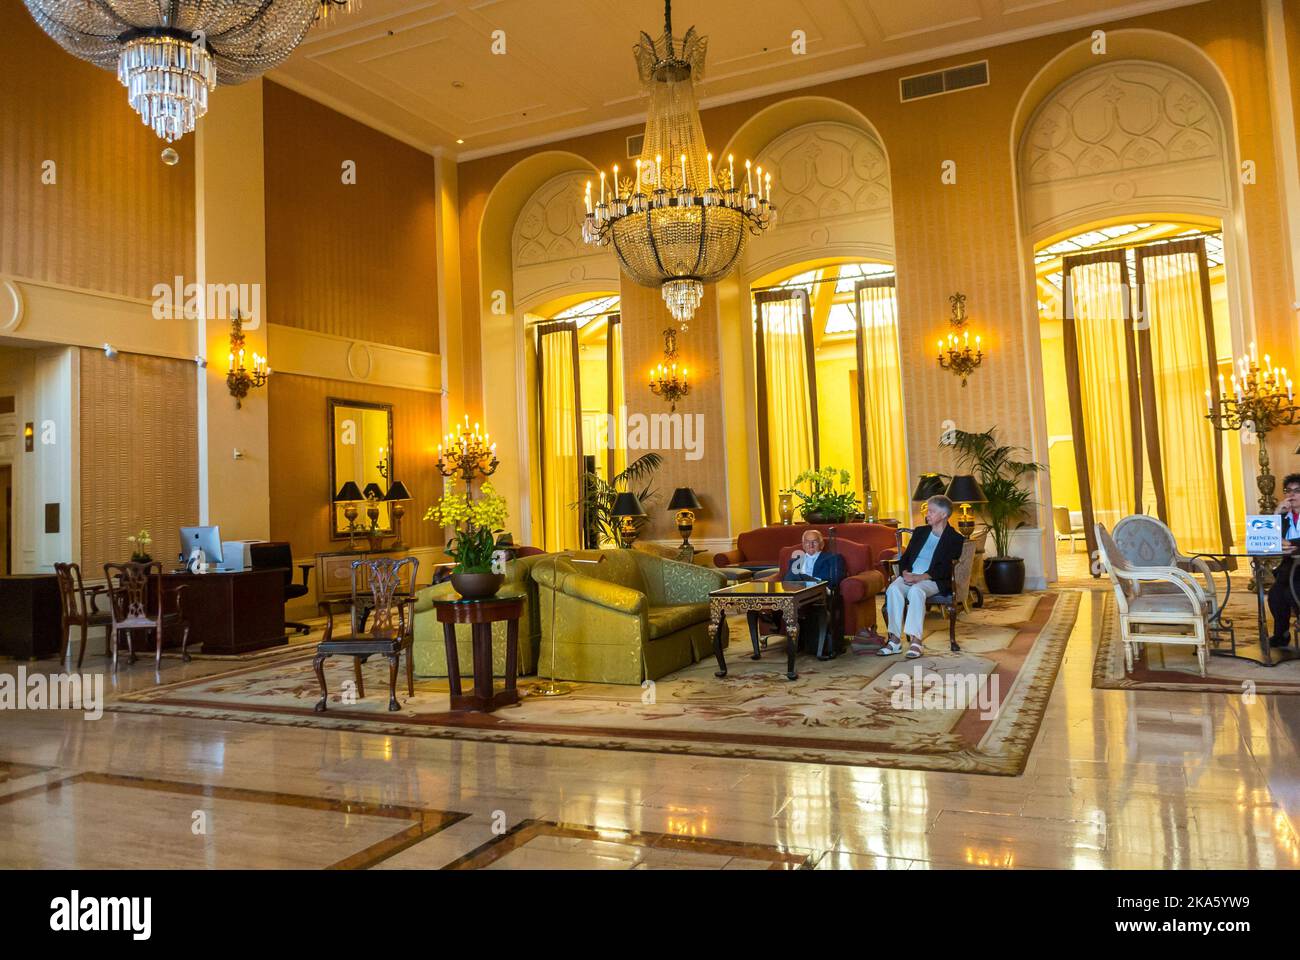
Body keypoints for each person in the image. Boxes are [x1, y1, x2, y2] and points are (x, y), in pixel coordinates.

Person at [879, 495, 966, 659]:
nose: (927, 514)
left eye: (932, 511)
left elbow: (946, 568)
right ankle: (895, 640)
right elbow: (906, 558)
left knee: (916, 591)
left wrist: (921, 577)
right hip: (910, 575)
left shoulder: (954, 538)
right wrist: (904, 572)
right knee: (893, 589)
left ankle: (916, 642)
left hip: (933, 580)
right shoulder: (920, 532)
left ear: (944, 515)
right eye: (928, 511)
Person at [748, 529, 845, 659]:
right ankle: (772, 616)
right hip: (796, 591)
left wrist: (806, 579)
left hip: (818, 591)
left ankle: (774, 616)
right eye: (807, 542)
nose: (810, 545)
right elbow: (788, 578)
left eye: (814, 542)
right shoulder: (797, 559)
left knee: (797, 580)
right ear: (803, 545)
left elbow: (834, 578)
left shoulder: (832, 558)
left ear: (821, 544)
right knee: (787, 589)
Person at [1268, 474, 1300, 649]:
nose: (1291, 495)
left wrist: (1292, 543)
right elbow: (1267, 538)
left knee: (1292, 591)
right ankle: (1281, 634)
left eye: (1297, 491)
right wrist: (1275, 513)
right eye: (1288, 491)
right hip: (1289, 566)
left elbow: (1287, 543)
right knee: (1275, 594)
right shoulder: (1284, 517)